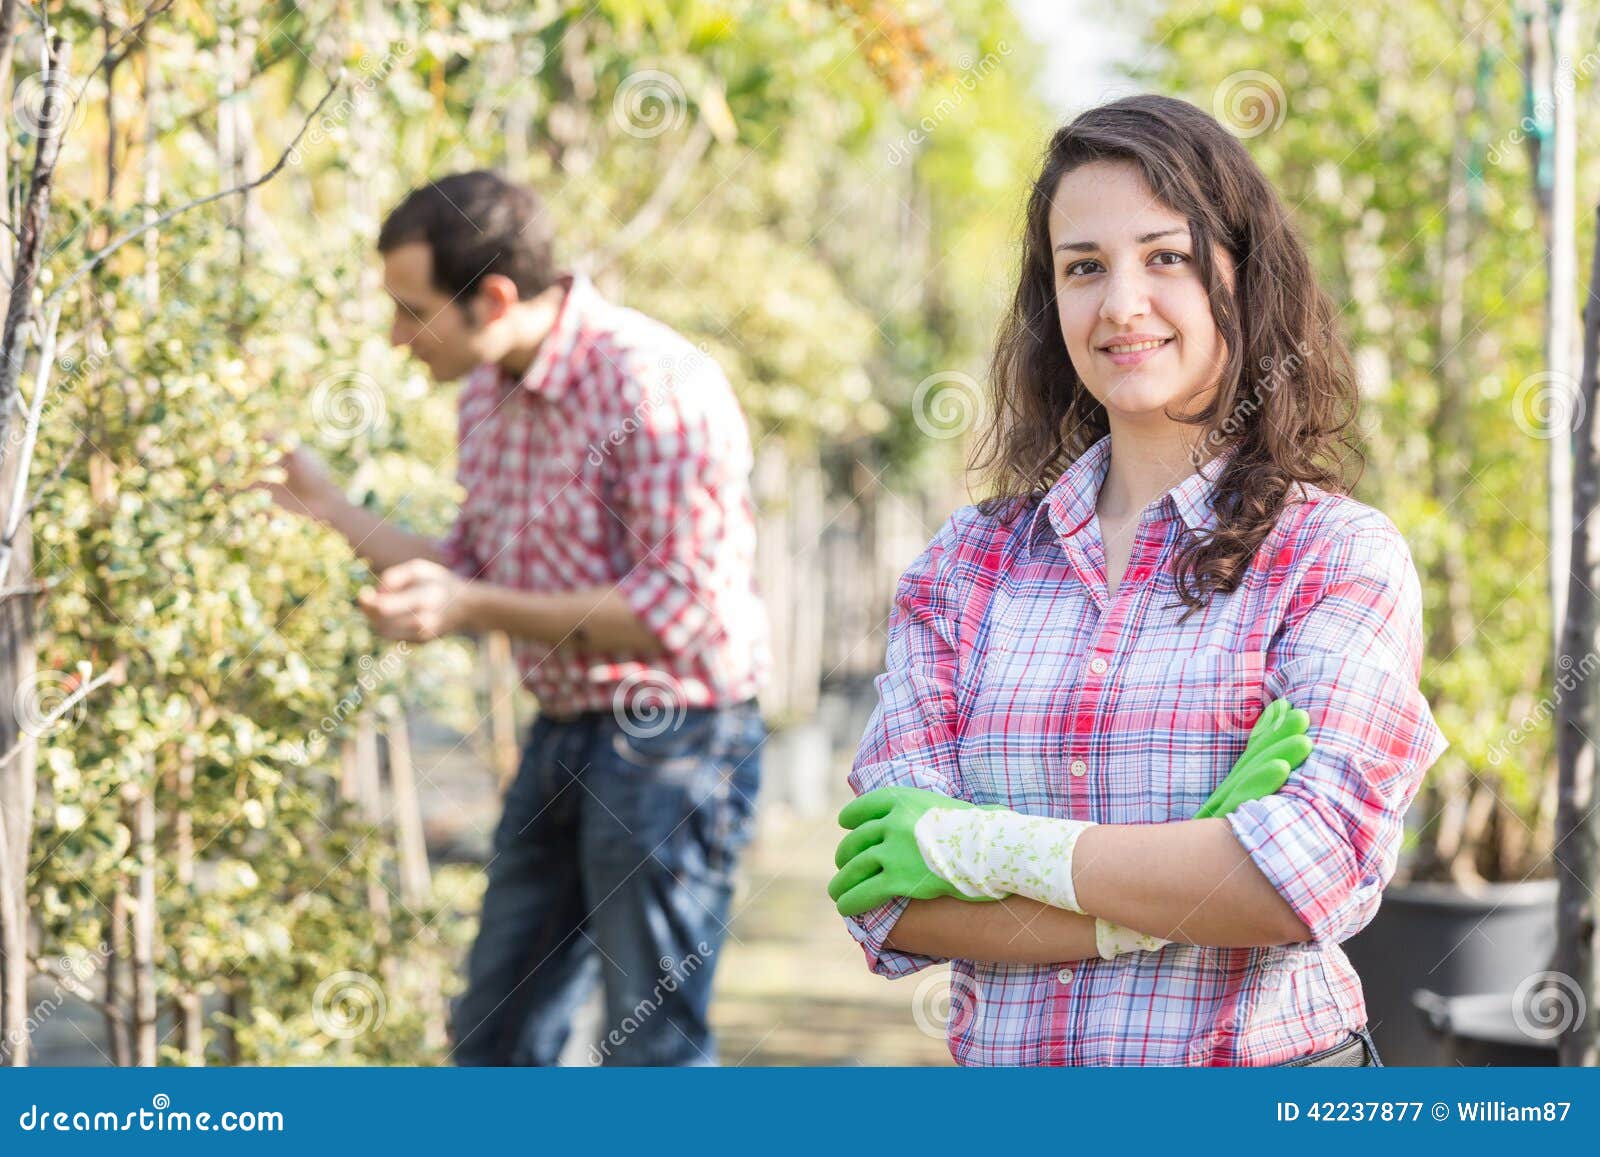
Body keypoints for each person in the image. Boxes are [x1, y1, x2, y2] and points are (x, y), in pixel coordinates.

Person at [829, 95, 1448, 1067]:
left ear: (1241, 276)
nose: (1120, 303)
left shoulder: (1333, 556)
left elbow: (1310, 876)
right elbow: (891, 893)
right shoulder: (967, 565)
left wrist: (983, 847)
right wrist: (1187, 870)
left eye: (1165, 256)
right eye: (1083, 267)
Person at [265, 170, 771, 1066]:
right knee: (495, 1036)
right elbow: (470, 566)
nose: (396, 335)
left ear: (492, 298)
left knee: (649, 1046)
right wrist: (331, 511)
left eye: (411, 308)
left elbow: (679, 609)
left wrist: (467, 607)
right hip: (563, 733)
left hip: (673, 734)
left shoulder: (655, 386)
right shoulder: (486, 394)